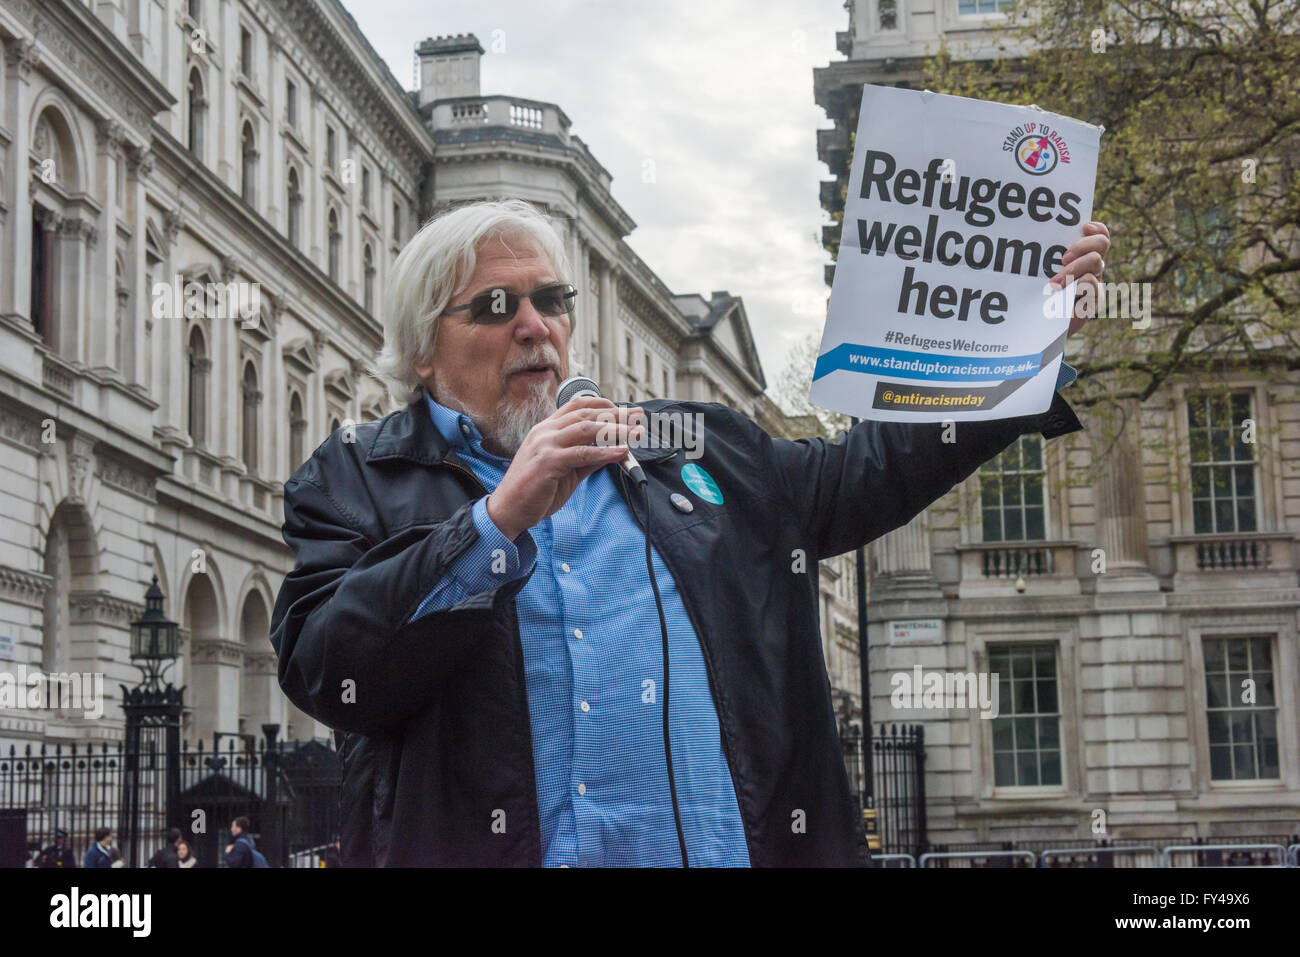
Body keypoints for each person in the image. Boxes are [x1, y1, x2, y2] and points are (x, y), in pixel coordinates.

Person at [269, 199, 1109, 866]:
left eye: (550, 300)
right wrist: (496, 521)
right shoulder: (352, 481)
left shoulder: (689, 448)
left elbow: (867, 470)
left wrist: (1016, 338)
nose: (534, 325)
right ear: (422, 349)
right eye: (495, 306)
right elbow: (325, 667)